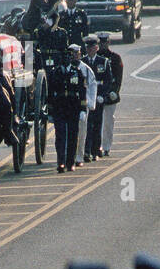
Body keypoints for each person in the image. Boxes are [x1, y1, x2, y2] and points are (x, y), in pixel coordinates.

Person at [50, 43, 94, 173]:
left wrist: (82, 109)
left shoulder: (77, 72)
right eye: (64, 57)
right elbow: (51, 92)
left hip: (73, 107)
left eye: (68, 57)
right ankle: (61, 162)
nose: (66, 60)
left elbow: (82, 91)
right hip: (60, 107)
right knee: (60, 137)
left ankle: (70, 162)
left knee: (73, 136)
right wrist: (51, 111)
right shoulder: (55, 72)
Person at [81, 36, 113, 162]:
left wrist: (102, 95)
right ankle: (87, 151)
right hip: (87, 96)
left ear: (97, 48)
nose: (90, 50)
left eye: (92, 48)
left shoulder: (103, 61)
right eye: (88, 48)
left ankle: (96, 150)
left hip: (98, 96)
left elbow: (108, 80)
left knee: (97, 125)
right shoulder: (83, 62)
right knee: (87, 125)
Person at [97, 33, 123, 156]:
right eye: (101, 43)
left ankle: (106, 146)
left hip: (110, 94)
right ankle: (98, 146)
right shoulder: (95, 58)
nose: (103, 45)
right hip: (98, 94)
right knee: (97, 123)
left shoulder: (115, 58)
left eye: (105, 42)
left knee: (108, 122)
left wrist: (115, 91)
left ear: (108, 43)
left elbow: (118, 78)